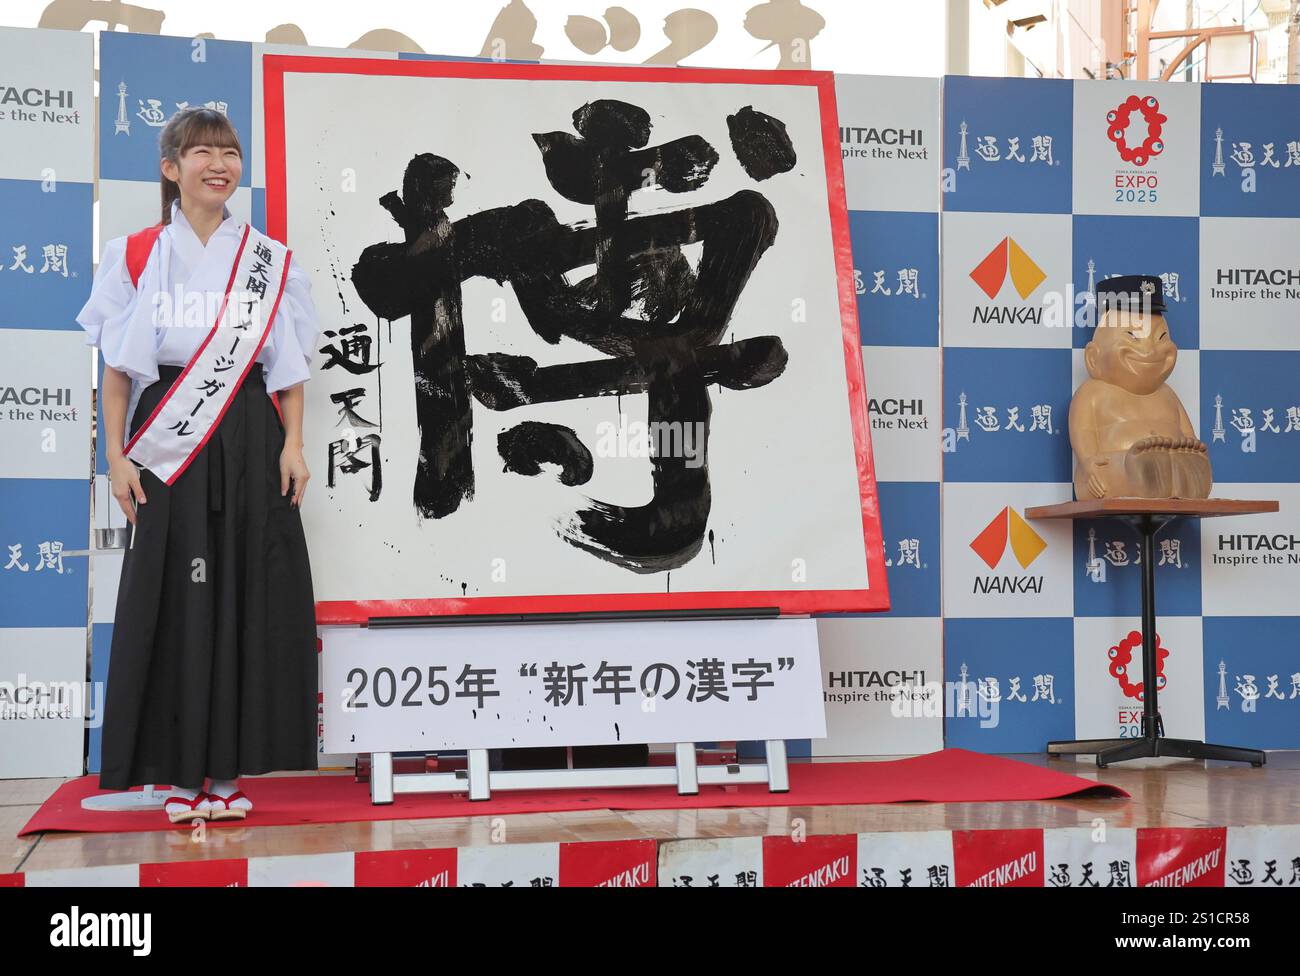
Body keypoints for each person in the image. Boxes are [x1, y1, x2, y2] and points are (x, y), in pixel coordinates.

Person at [76, 107, 322, 824]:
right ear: (170, 167)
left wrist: (293, 442)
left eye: (231, 152)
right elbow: (118, 371)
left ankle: (226, 771)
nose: (220, 163)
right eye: (203, 151)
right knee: (175, 595)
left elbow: (288, 369)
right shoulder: (134, 254)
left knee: (245, 590)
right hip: (168, 433)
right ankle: (177, 773)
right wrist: (116, 456)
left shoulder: (269, 260)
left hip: (247, 429)